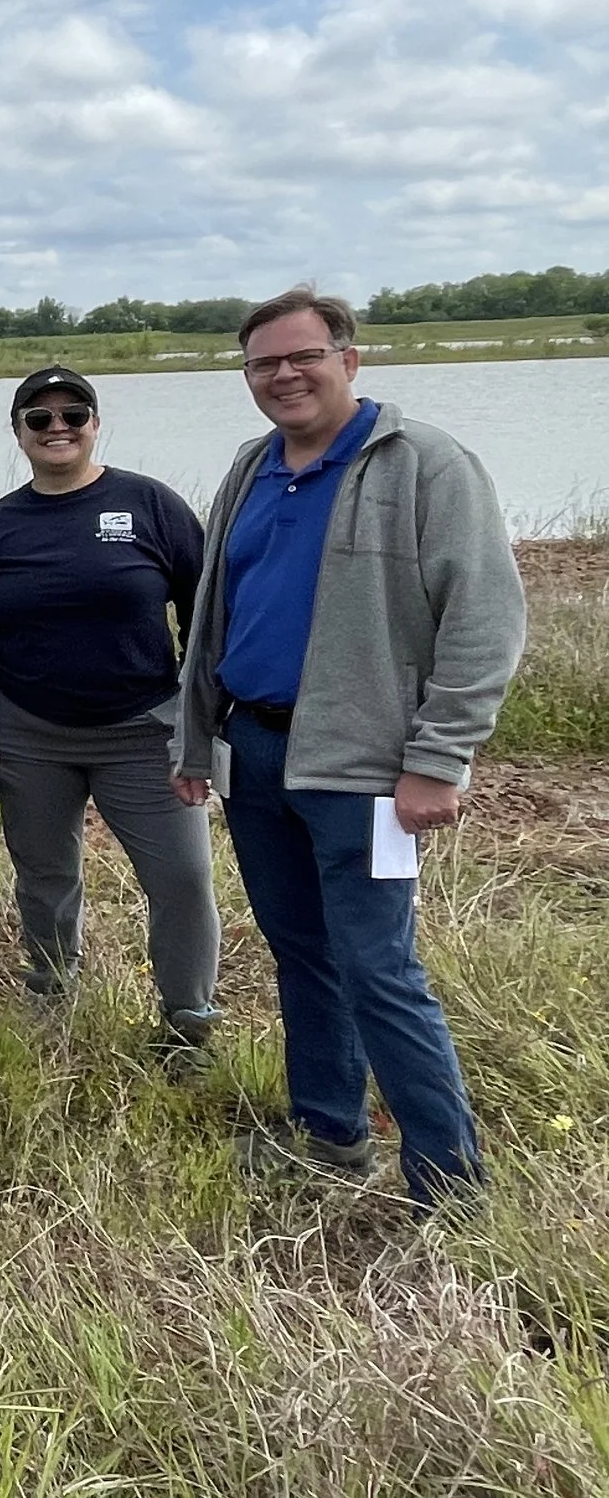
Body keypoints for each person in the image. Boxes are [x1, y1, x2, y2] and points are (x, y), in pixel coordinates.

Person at [173, 288, 525, 1204]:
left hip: (366, 773)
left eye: (304, 356)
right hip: (255, 755)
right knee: (302, 953)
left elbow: (485, 619)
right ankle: (329, 1131)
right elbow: (217, 615)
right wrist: (195, 739)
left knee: (380, 968)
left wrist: (438, 756)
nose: (284, 375)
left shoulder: (426, 465)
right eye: (263, 363)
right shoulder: (252, 466)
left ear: (350, 359)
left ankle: (449, 1181)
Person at [0, 367, 221, 1058]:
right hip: (28, 730)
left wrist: (199, 708)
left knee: (183, 879)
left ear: (97, 423)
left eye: (75, 412)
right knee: (45, 875)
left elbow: (208, 609)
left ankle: (188, 1022)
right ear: (19, 433)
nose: (58, 426)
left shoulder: (150, 504)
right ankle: (50, 993)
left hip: (144, 731)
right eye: (40, 417)